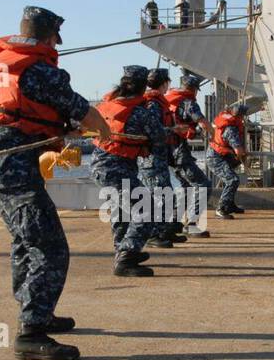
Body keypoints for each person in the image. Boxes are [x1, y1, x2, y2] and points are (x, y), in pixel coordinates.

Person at [0, 6, 110, 360]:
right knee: (50, 248)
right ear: (51, 38)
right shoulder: (41, 71)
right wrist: (104, 130)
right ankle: (31, 331)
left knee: (26, 242)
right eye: (56, 40)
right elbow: (88, 113)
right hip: (15, 171)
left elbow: (24, 116)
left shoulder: (6, 67)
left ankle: (36, 310)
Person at [91, 65, 166, 276]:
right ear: (143, 87)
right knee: (147, 209)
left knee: (121, 210)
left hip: (99, 167)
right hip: (118, 168)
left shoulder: (107, 105)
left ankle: (122, 250)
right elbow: (159, 137)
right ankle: (127, 256)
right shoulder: (141, 112)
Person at [137, 67, 184, 248]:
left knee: (166, 195)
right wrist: (173, 130)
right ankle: (154, 234)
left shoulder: (156, 101)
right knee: (159, 196)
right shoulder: (154, 104)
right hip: (151, 158)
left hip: (158, 157)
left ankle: (165, 231)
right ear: (164, 83)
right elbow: (152, 131)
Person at [165, 72, 212, 235]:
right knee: (204, 185)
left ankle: (174, 222)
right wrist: (213, 134)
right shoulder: (188, 102)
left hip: (168, 151)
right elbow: (203, 122)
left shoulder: (170, 100)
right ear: (193, 89)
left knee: (186, 187)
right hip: (179, 151)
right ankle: (191, 224)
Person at [208, 101, 250, 219]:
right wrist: (243, 154)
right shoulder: (231, 129)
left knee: (232, 179)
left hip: (222, 156)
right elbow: (238, 150)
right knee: (232, 180)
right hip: (216, 158)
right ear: (240, 116)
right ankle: (221, 209)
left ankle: (230, 205)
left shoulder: (228, 123)